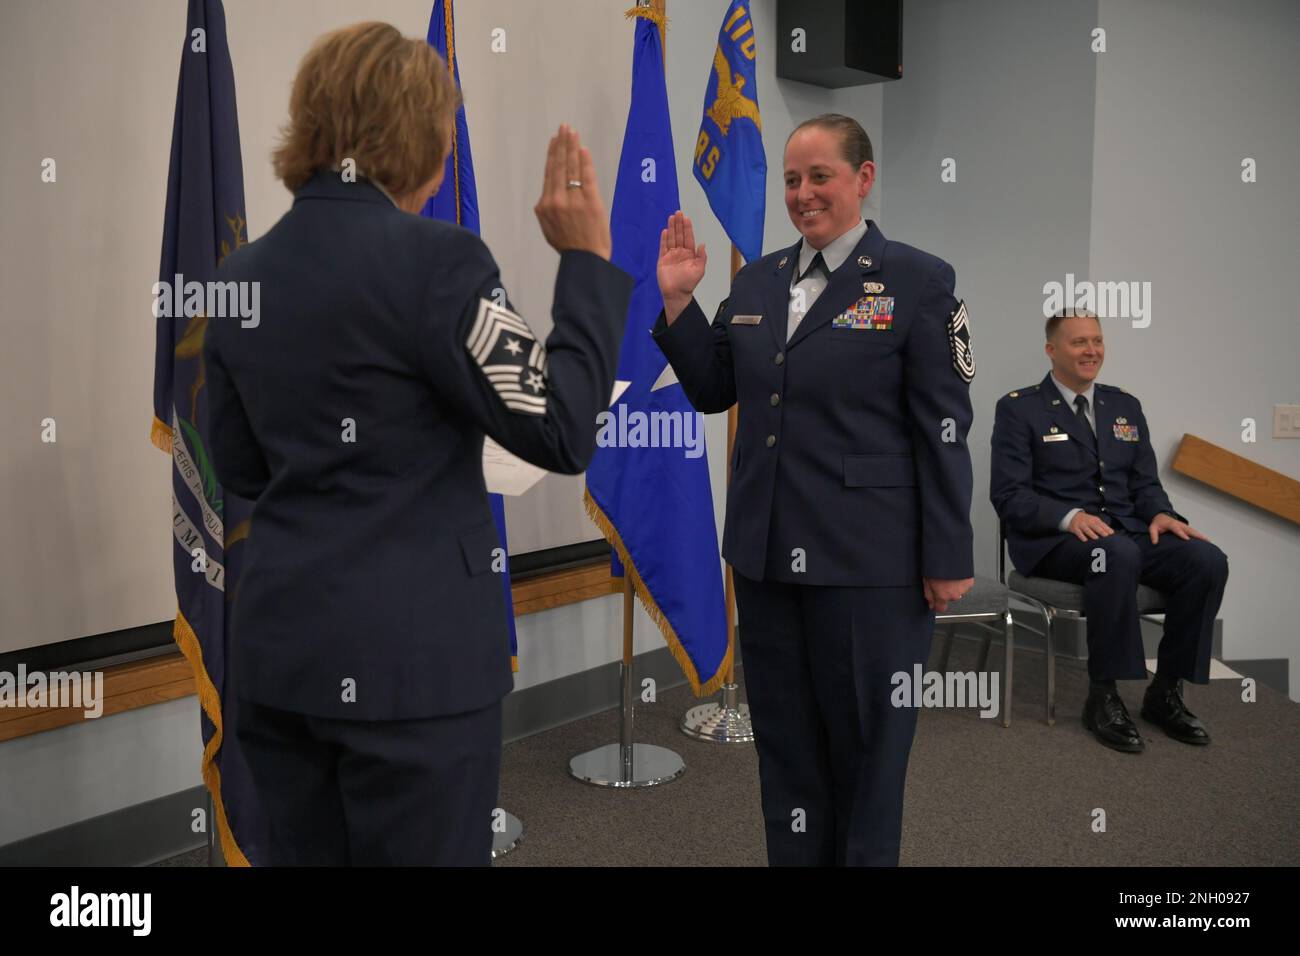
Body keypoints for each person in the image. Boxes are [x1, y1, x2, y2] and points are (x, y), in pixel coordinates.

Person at [202, 22, 631, 865]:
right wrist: (584, 264)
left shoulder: (238, 277)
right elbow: (560, 426)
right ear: (428, 141)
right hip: (415, 673)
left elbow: (241, 468)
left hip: (281, 660)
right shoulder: (442, 262)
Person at [652, 113, 976, 866]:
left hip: (871, 568)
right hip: (768, 562)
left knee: (867, 756)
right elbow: (712, 388)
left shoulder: (919, 281)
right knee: (789, 755)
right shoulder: (758, 277)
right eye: (793, 180)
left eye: (819, 176)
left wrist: (947, 553)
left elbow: (944, 430)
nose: (802, 194)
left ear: (863, 179)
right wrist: (678, 304)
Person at [990, 310, 1228, 753]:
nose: (1092, 350)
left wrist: (1160, 513)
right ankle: (1103, 694)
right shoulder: (1019, 408)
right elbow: (1008, 496)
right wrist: (1068, 517)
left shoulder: (1124, 406)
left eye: (1097, 341)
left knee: (1205, 559)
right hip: (1056, 542)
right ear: (1052, 350)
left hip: (1126, 534)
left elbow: (1144, 483)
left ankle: (1166, 692)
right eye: (1079, 342)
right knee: (1115, 554)